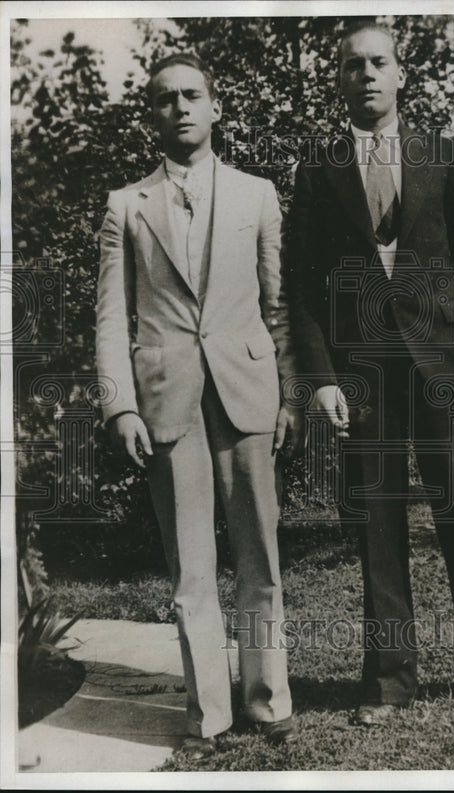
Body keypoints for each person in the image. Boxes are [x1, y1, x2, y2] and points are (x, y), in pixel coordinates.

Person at [288, 21, 454, 725]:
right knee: (377, 521)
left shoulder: (444, 157)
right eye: (351, 66)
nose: (366, 75)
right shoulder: (319, 167)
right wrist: (324, 379)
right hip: (362, 373)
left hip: (446, 367)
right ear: (337, 79)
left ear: (402, 73)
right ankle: (389, 681)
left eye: (379, 63)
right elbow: (302, 289)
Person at [96, 52, 299, 757]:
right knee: (189, 564)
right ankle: (209, 713)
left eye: (192, 94)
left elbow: (279, 309)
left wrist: (289, 393)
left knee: (259, 553)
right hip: (167, 398)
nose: (179, 107)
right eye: (163, 99)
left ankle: (268, 699)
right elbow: (109, 316)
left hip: (247, 392)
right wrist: (120, 405)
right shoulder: (127, 205)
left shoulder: (258, 195)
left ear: (216, 107)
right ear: (150, 116)